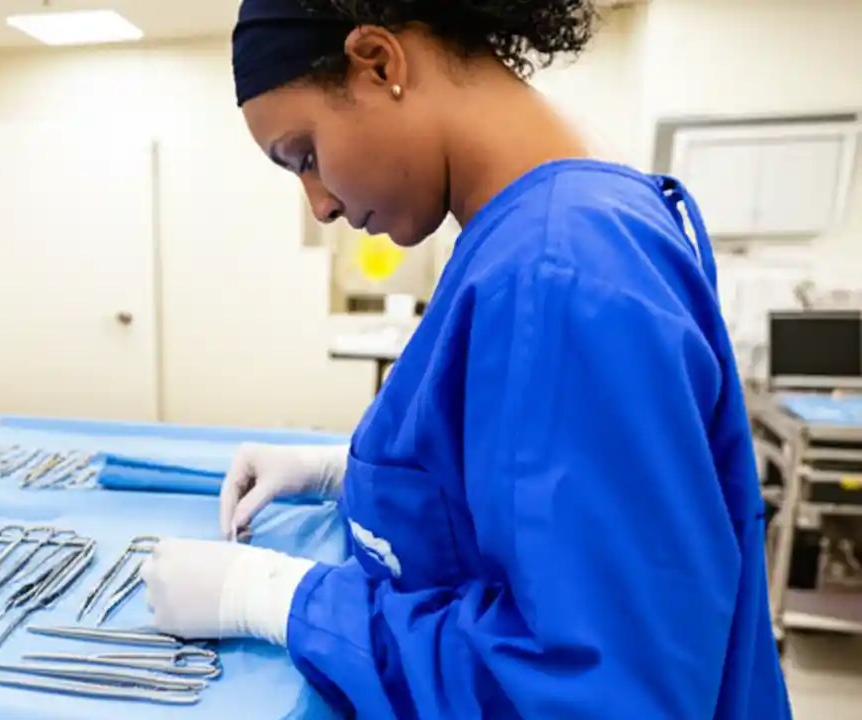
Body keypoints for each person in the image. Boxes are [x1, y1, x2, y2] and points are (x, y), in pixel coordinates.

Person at [140, 0, 792, 717]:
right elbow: (531, 488)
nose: (319, 204)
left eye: (305, 155)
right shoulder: (544, 227)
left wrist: (272, 597)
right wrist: (339, 471)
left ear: (380, 64)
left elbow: (597, 690)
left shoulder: (559, 266)